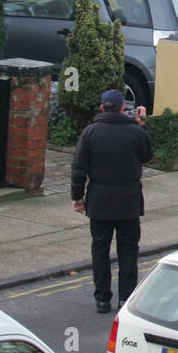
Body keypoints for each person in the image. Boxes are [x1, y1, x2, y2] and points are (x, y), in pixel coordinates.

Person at [71, 89, 153, 313]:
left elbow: (78, 169)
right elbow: (147, 155)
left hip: (99, 203)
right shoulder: (135, 133)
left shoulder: (90, 133)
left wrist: (77, 197)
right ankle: (125, 299)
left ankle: (102, 299)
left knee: (100, 250)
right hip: (129, 203)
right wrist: (142, 124)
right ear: (123, 108)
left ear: (101, 108)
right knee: (128, 251)